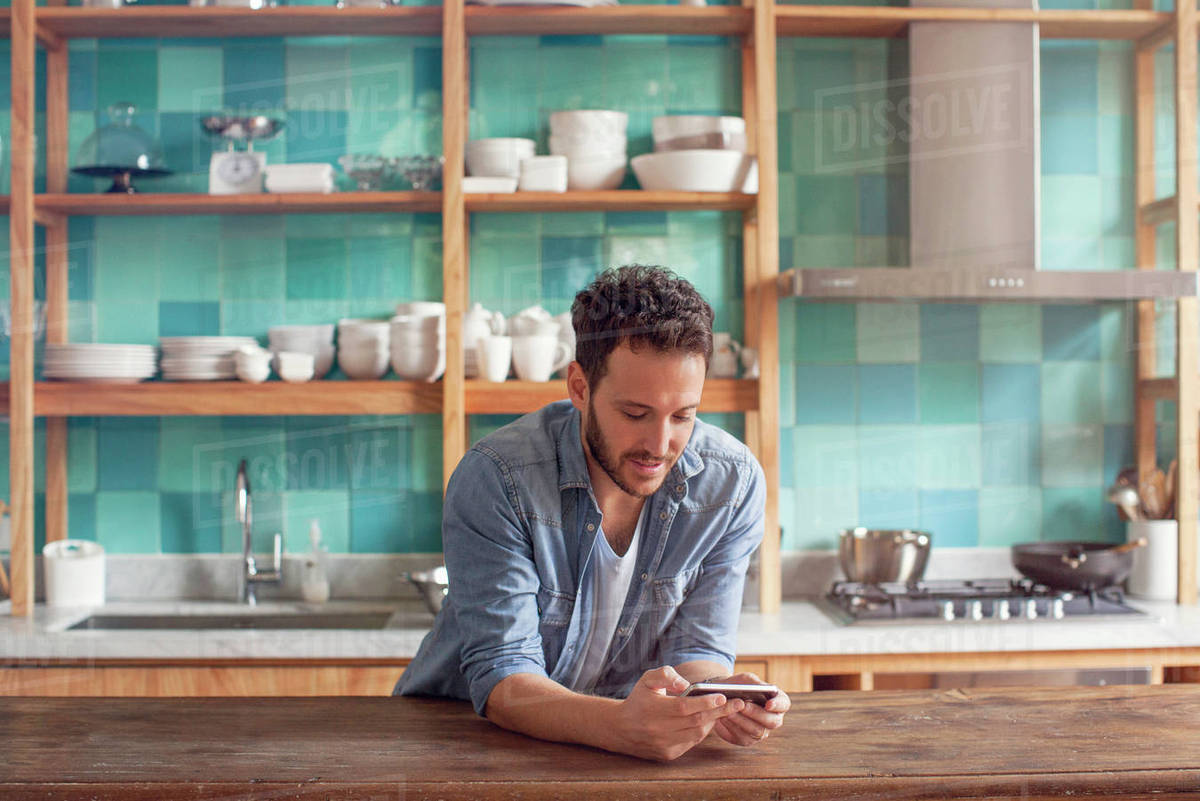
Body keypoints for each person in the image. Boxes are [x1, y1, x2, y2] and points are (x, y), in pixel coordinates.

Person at [394, 265, 790, 761]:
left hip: (609, 750)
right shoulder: (498, 478)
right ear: (579, 388)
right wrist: (622, 727)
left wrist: (719, 698)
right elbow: (505, 677)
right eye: (635, 414)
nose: (660, 444)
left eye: (683, 415)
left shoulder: (730, 485)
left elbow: (696, 652)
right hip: (463, 742)